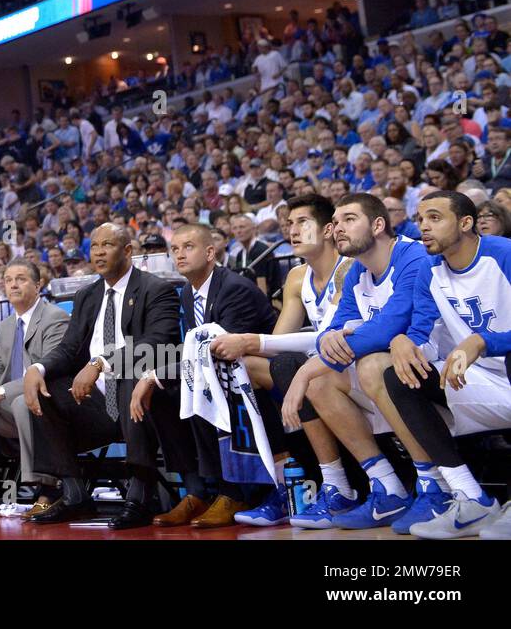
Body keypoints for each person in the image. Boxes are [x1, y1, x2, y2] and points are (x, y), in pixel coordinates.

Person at [280, 194, 438, 532]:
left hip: (440, 366)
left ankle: (433, 484)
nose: (338, 228)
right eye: (336, 222)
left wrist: (305, 370)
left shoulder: (413, 257)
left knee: (367, 365)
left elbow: (390, 326)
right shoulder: (357, 273)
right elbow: (331, 330)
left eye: (349, 219)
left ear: (378, 225)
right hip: (400, 377)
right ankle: (387, 487)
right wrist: (328, 341)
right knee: (323, 383)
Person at [212, 194, 356, 528]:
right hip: (314, 365)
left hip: (350, 361)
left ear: (327, 230)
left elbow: (336, 335)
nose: (291, 229)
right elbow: (276, 342)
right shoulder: (295, 277)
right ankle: (283, 482)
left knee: (285, 366)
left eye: (302, 222)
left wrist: (251, 340)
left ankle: (337, 486)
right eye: (288, 223)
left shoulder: (348, 267)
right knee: (241, 368)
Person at [22, 226, 181, 528]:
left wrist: (100, 362)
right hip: (96, 403)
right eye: (94, 245)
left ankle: (140, 494)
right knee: (47, 388)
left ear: (128, 251)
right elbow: (69, 349)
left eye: (107, 244)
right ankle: (74, 494)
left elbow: (158, 343)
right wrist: (36, 368)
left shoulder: (155, 289)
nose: (98, 252)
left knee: (128, 373)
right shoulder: (87, 295)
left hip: (145, 399)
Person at [383, 191, 511, 538]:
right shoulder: (429, 269)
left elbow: (483, 342)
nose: (423, 227)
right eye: (421, 219)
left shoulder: (505, 254)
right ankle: (471, 497)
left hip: (504, 365)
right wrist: (403, 342)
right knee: (398, 375)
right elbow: (422, 332)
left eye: (435, 218)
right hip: (481, 381)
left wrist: (484, 341)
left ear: (466, 223)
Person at [140, 224, 278, 528]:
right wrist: (155, 378)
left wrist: (154, 375)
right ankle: (198, 491)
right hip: (222, 375)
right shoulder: (188, 293)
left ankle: (233, 491)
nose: (179, 254)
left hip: (264, 383)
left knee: (203, 384)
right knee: (166, 396)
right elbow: (194, 353)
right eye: (174, 249)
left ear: (210, 252)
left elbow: (219, 352)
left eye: (188, 246)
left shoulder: (234, 288)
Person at [0, 258, 68, 519]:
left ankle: (47, 489)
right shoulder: (5, 326)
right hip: (12, 404)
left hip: (49, 401)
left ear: (38, 284)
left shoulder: (56, 318)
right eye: (8, 280)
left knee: (25, 401)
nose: (13, 285)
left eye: (20, 279)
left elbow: (49, 372)